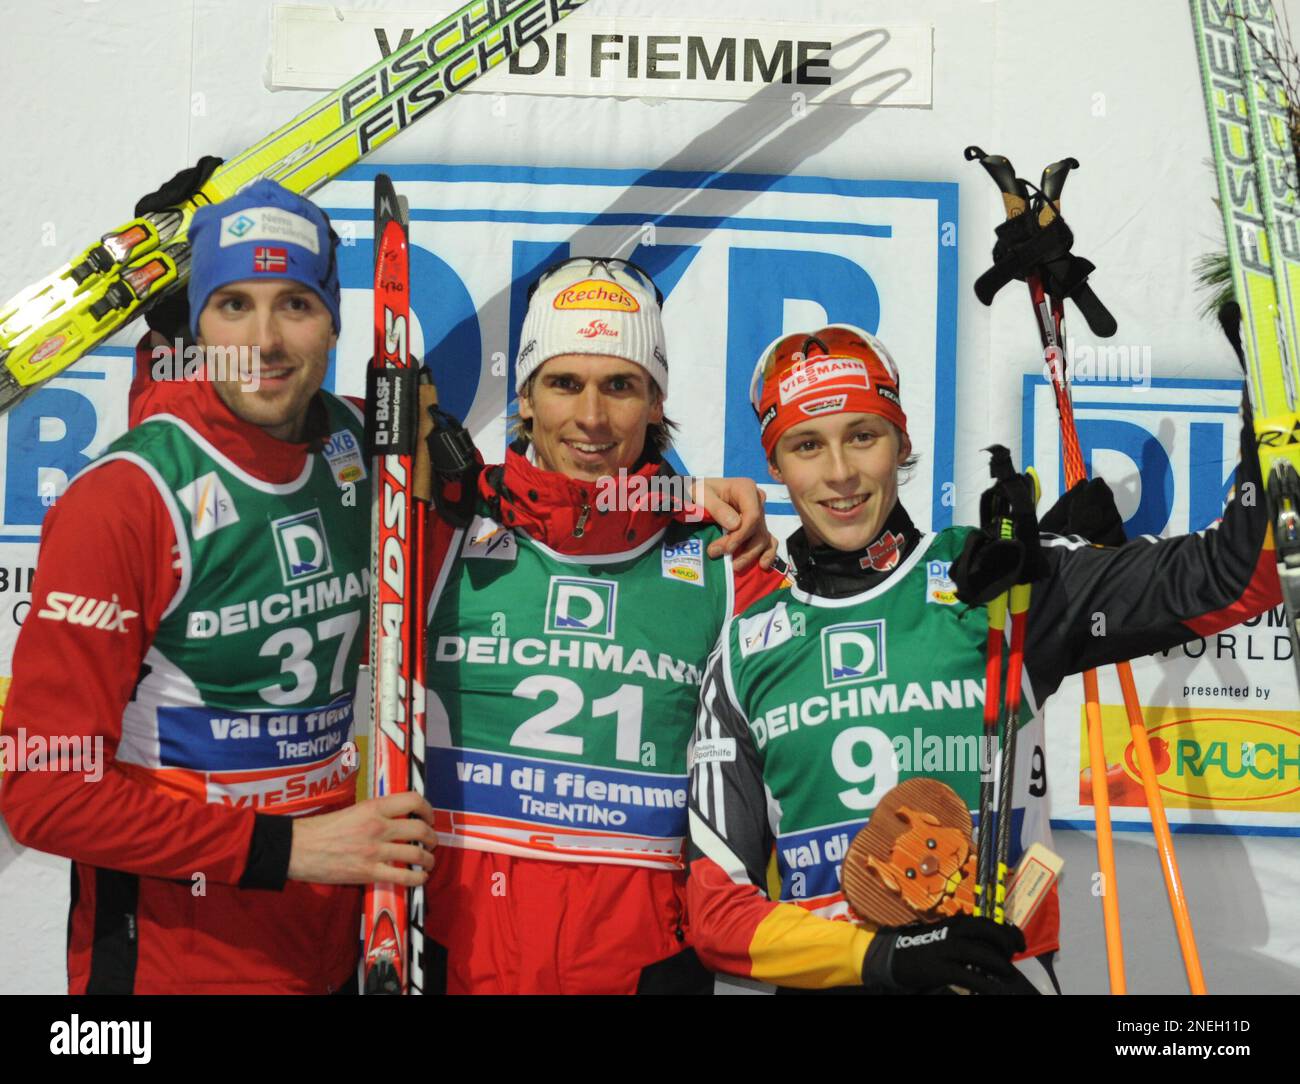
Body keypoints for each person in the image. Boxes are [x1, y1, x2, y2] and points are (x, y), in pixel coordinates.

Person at [686, 324, 1281, 993]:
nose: (840, 473)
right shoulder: (744, 652)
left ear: (902, 442)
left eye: (863, 435)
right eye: (806, 446)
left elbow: (1239, 576)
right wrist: (881, 959)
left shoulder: (995, 578)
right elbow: (716, 915)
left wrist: (1272, 418)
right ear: (776, 465)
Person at [0, 180, 437, 994]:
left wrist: (682, 499)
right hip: (173, 958)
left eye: (295, 305)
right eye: (233, 304)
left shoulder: (355, 446)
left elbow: (497, 528)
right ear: (196, 323)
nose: (263, 341)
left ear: (334, 321)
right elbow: (45, 795)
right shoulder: (125, 498)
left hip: (333, 939)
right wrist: (291, 848)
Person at [419, 256, 785, 993]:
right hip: (455, 956)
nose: (591, 417)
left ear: (655, 404)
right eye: (564, 383)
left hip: (646, 970)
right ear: (523, 397)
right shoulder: (438, 531)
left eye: (620, 386)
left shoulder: (722, 560)